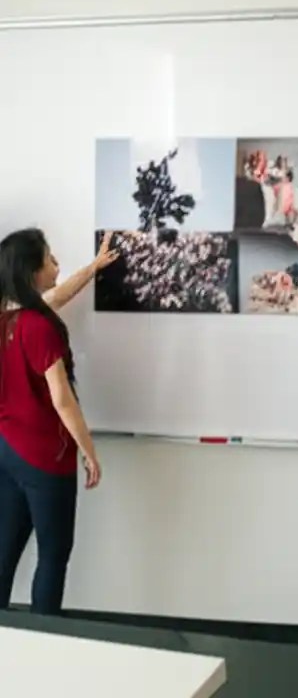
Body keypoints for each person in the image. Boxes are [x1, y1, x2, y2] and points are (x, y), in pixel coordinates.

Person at [0, 228, 117, 615]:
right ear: (32, 271)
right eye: (50, 259)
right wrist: (89, 451)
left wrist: (94, 267)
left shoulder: (10, 319)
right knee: (53, 555)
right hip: (44, 458)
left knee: (5, 549)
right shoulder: (39, 326)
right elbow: (63, 400)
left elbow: (58, 295)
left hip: (8, 451)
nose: (57, 264)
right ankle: (45, 638)